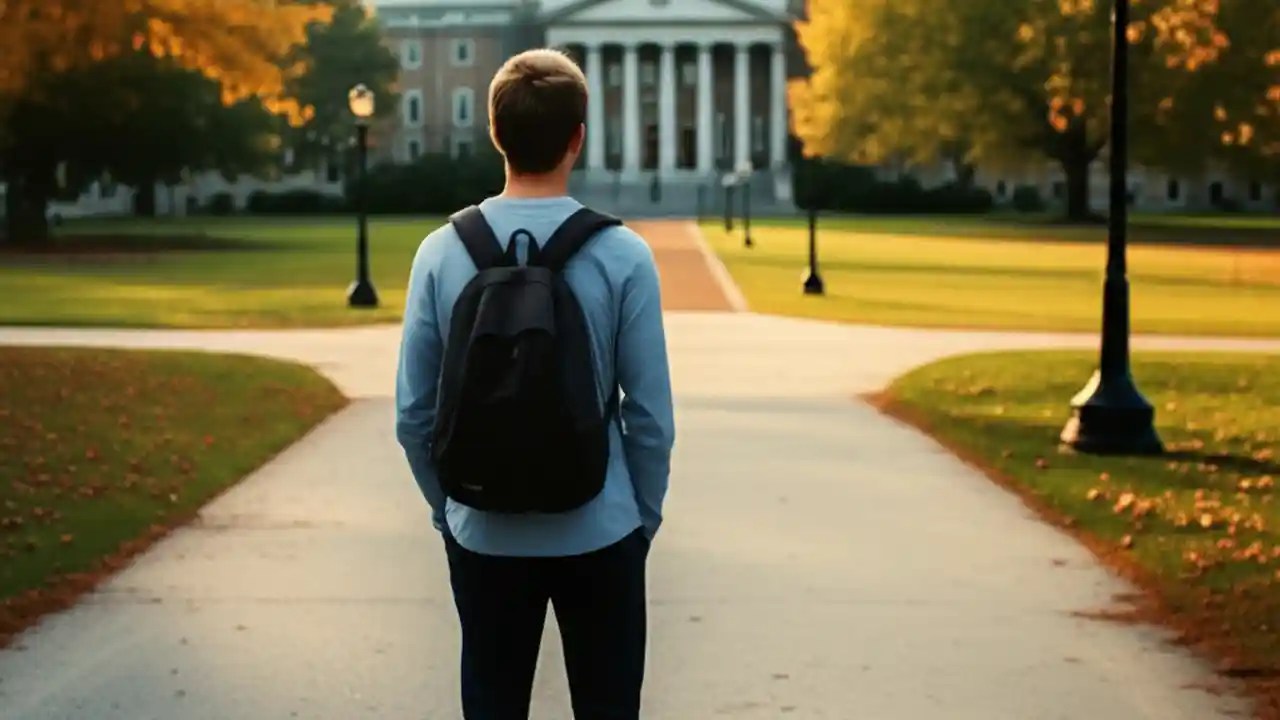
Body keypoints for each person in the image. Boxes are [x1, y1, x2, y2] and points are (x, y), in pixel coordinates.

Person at [394, 48, 676, 720]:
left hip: (483, 529)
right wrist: (641, 519)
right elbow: (650, 418)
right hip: (600, 528)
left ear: (495, 134)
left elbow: (413, 415)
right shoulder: (622, 254)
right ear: (578, 137)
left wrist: (450, 513)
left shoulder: (441, 251)